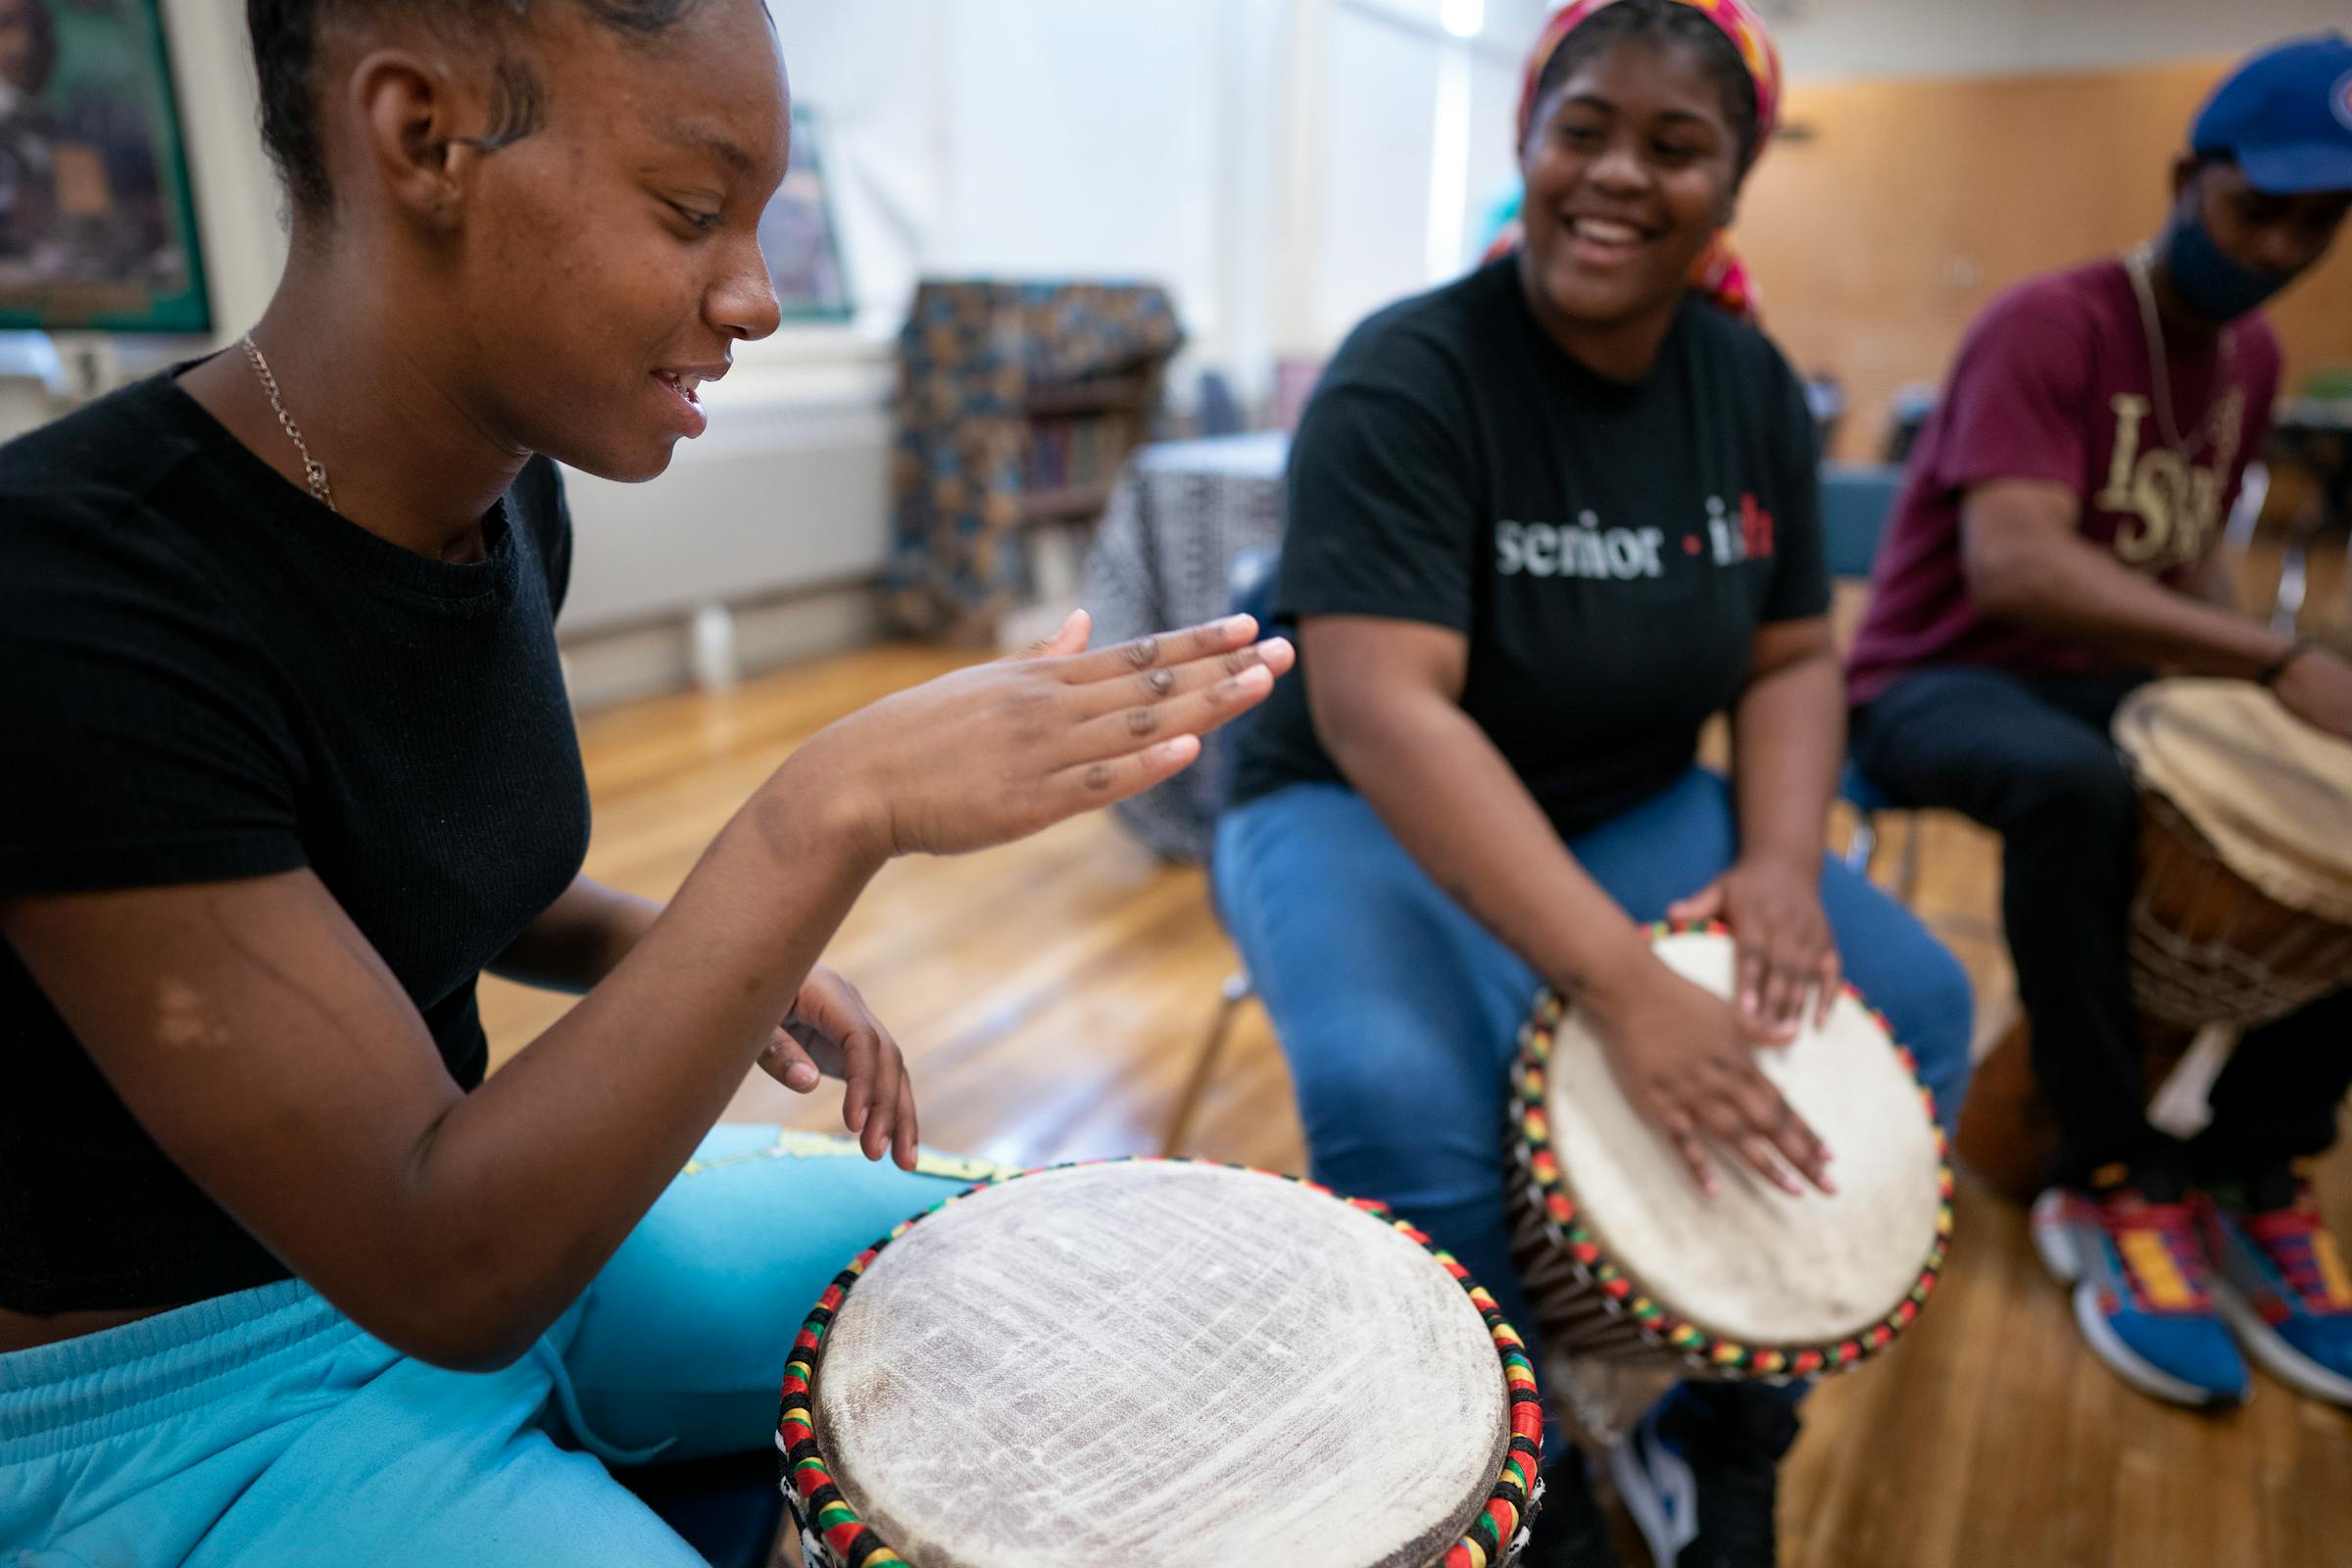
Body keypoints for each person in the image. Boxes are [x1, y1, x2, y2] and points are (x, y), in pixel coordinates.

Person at [0, 2, 1292, 1562]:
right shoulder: (71, 595)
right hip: (190, 1395)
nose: (752, 296)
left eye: (760, 222)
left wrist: (671, 951)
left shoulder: (506, 501)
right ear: (422, 138)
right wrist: (825, 815)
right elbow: (439, 1260)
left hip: (506, 1241)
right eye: (694, 213)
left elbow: (430, 872)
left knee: (1074, 1262)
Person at [1214, 2, 1975, 1563]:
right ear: (1525, 141)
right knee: (1399, 1104)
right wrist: (1624, 982)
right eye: (1584, 130)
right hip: (1358, 809)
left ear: (1733, 184)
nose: (1617, 175)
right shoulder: (1407, 375)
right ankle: (1520, 1473)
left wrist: (1777, 861)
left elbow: (1787, 660)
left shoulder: (1747, 384)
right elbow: (1381, 713)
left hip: (1632, 798)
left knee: (1916, 1005)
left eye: (1674, 145)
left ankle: (1724, 1416)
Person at [1846, 34, 2352, 1411]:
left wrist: (2263, 715)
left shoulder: (2249, 358)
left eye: (2323, 222)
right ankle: (2109, 1173)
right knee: (2078, 790)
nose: (2284, 246)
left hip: (2097, 678)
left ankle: (2257, 1164)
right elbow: (2017, 565)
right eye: (2262, 208)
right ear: (2191, 177)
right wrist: (2265, 662)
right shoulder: (2049, 323)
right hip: (1930, 679)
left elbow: (2181, 563)